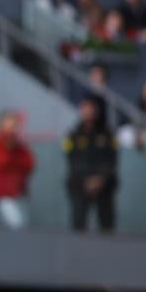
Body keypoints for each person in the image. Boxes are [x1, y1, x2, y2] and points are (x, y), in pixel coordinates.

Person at [63, 97, 117, 233]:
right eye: (85, 108)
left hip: (104, 186)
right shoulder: (73, 135)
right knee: (78, 224)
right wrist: (86, 180)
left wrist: (100, 179)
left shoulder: (107, 135)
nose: (89, 112)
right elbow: (72, 161)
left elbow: (111, 160)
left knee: (106, 226)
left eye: (91, 108)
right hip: (79, 184)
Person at [0, 110, 36, 230]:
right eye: (10, 123)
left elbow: (30, 164)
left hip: (20, 193)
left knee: (24, 226)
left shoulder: (20, 146)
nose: (13, 126)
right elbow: (2, 162)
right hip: (4, 194)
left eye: (15, 123)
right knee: (16, 224)